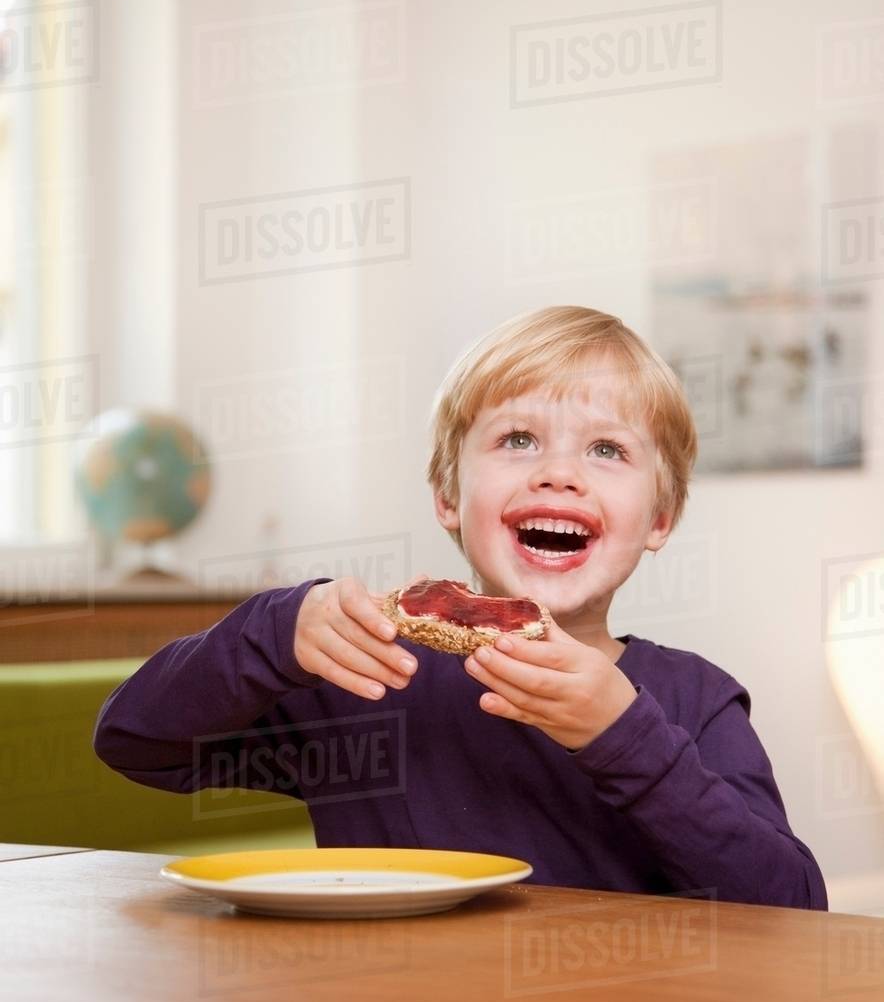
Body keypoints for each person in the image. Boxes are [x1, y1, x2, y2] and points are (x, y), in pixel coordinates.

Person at [93, 305, 827, 909]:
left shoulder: (692, 701)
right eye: (518, 439)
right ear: (448, 495)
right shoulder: (366, 674)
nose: (560, 472)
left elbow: (790, 907)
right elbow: (134, 741)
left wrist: (623, 735)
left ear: (660, 519)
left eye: (607, 450)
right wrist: (276, 632)